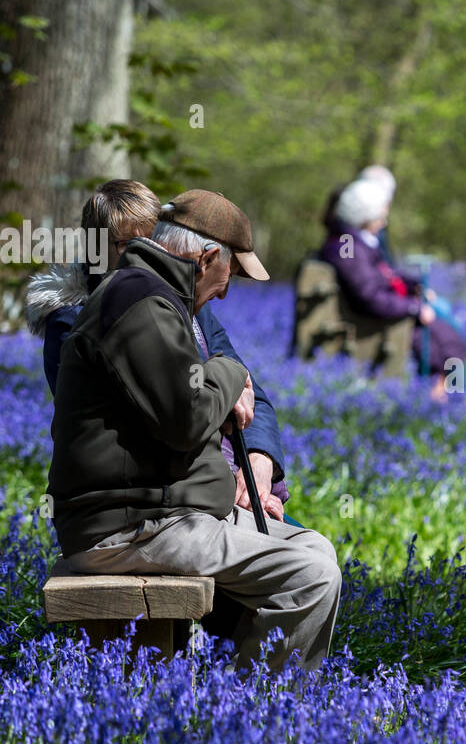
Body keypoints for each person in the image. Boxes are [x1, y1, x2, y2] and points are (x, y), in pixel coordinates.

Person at [48, 190, 342, 672]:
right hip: (131, 528)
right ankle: (259, 719)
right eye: (231, 276)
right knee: (310, 577)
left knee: (314, 547)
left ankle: (230, 693)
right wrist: (228, 370)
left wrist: (246, 477)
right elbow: (187, 418)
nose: (227, 293)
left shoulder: (160, 298)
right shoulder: (137, 301)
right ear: (206, 258)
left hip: (168, 513)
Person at [25, 180, 289, 522]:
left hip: (220, 476)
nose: (148, 252)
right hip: (152, 498)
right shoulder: (76, 320)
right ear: (96, 249)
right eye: (129, 243)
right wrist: (225, 390)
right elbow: (158, 422)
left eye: (153, 238)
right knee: (302, 562)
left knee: (305, 543)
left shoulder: (193, 308)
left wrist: (258, 460)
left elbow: (253, 392)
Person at [319, 177, 466, 398]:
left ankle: (440, 396)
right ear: (364, 214)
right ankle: (435, 400)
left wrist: (414, 286)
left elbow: (383, 274)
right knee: (442, 337)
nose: (384, 221)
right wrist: (413, 309)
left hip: (385, 312)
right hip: (373, 322)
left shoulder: (355, 241)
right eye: (380, 215)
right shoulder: (347, 245)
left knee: (446, 332)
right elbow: (367, 295)